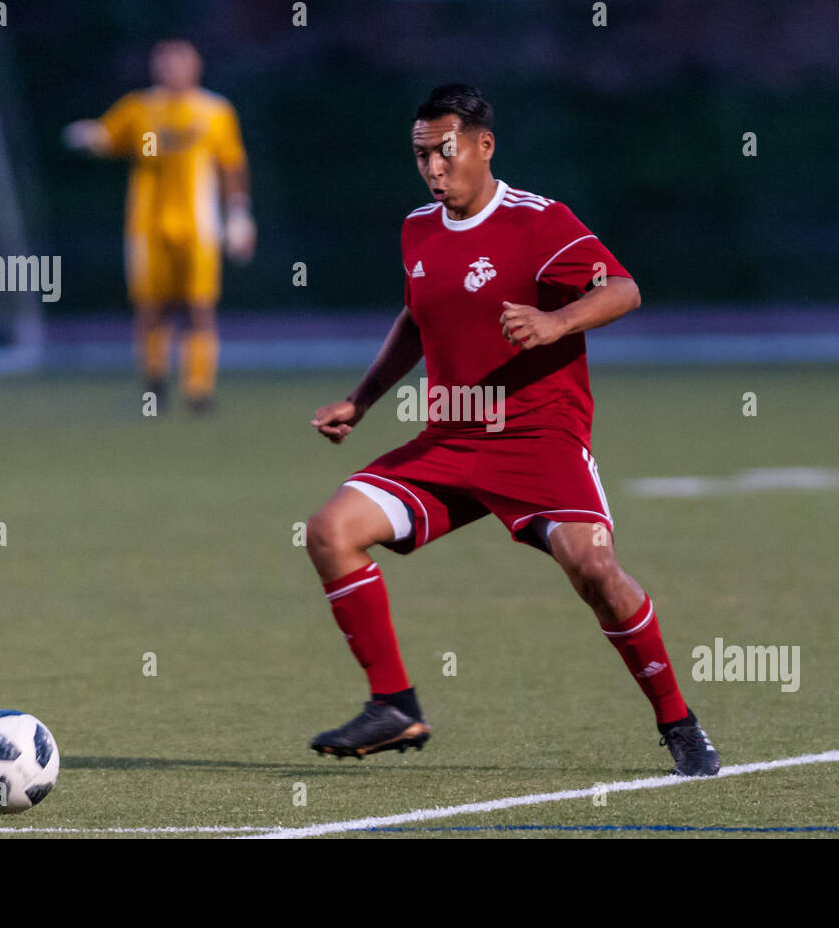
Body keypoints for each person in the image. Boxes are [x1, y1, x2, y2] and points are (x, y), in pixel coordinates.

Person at [304, 84, 720, 775]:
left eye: (444, 152)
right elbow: (418, 317)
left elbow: (623, 288)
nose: (433, 169)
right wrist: (362, 399)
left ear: (482, 146)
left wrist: (555, 321)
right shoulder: (418, 228)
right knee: (329, 531)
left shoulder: (538, 221)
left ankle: (678, 721)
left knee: (595, 571)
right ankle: (394, 706)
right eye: (420, 156)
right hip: (453, 438)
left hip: (538, 436)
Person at [63, 39, 255, 411]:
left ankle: (199, 390)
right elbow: (108, 136)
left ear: (196, 67)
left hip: (199, 224)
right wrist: (89, 137)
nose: (170, 69)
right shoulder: (139, 109)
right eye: (163, 63)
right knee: (152, 307)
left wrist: (239, 213)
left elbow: (230, 164)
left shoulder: (215, 111)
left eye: (179, 62)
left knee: (199, 306)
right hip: (148, 225)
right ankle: (154, 383)